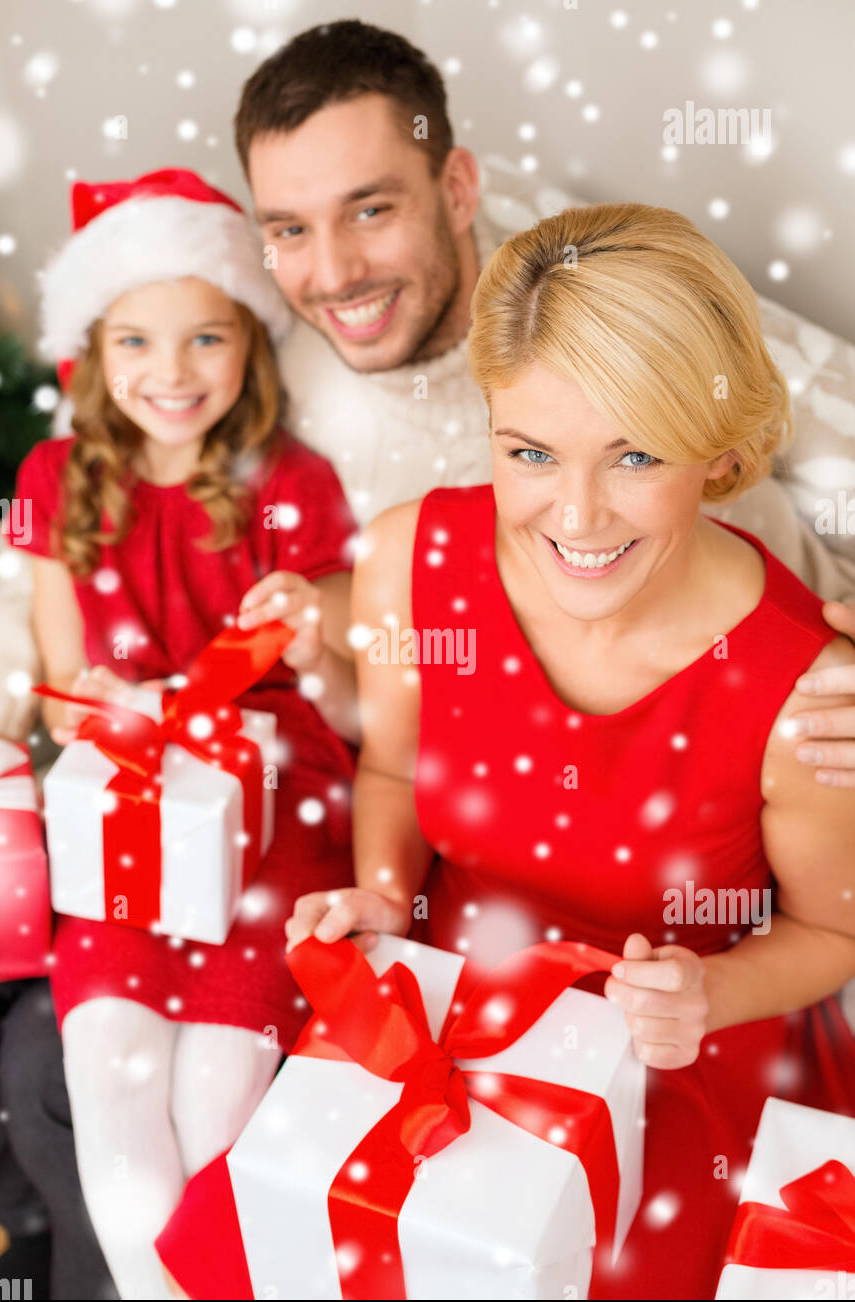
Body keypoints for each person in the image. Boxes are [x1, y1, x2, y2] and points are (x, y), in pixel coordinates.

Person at [157, 202, 855, 1301]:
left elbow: (829, 932)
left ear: (717, 455)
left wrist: (705, 995)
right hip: (448, 995)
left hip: (682, 1046)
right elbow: (390, 767)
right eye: (530, 451)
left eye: (633, 455)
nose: (575, 514)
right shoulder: (404, 560)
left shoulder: (805, 688)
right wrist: (383, 899)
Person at [240, 18, 855, 785]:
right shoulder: (272, 382)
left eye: (371, 211)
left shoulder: (600, 296)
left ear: (459, 188)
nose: (333, 274)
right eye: (291, 228)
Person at [6, 167, 360, 1299]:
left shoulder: (290, 482)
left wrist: (307, 632)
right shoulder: (55, 479)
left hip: (278, 795)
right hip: (128, 795)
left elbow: (339, 670)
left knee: (215, 1087)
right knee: (113, 1070)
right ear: (96, 353)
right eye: (136, 344)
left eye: (206, 339)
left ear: (250, 344)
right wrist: (108, 694)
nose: (171, 375)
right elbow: (64, 675)